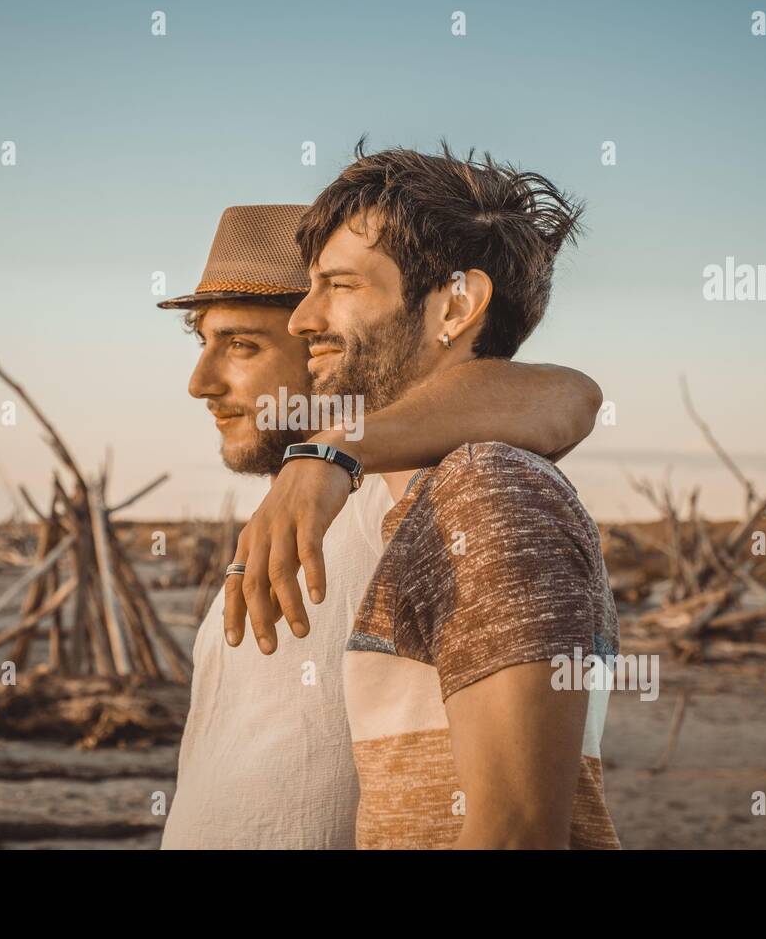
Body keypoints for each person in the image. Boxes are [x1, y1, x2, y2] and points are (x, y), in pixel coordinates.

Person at [157, 203, 603, 849]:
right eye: (205, 343)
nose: (201, 382)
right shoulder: (294, 513)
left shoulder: (415, 487)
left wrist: (333, 451)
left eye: (243, 346)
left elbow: (570, 396)